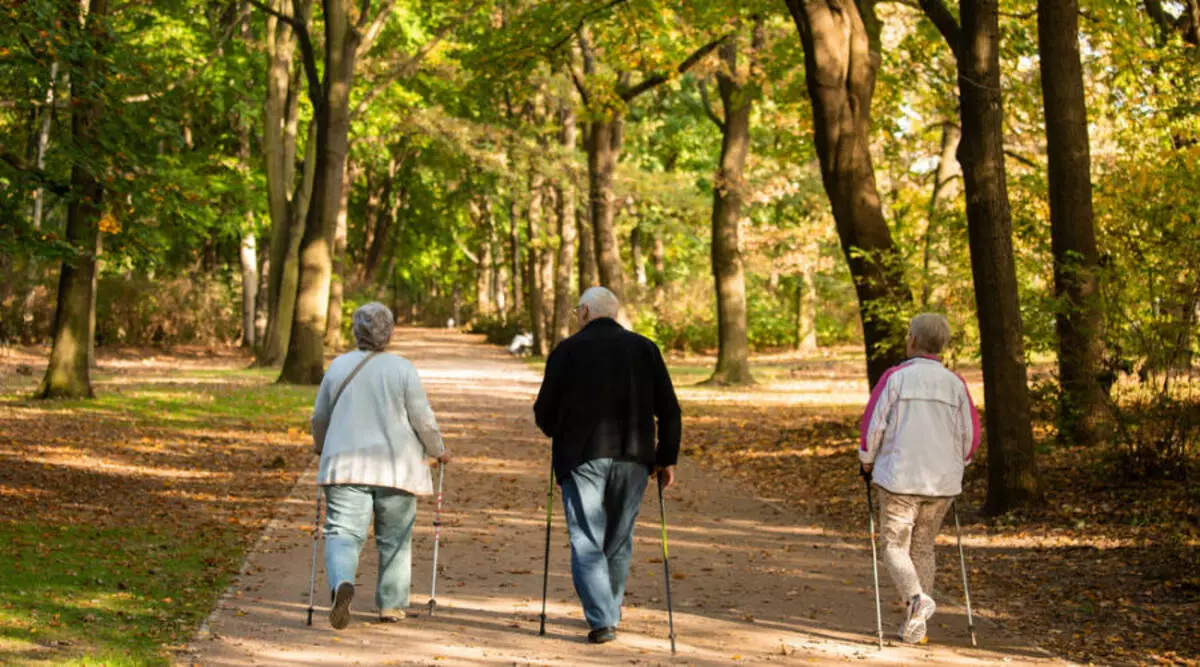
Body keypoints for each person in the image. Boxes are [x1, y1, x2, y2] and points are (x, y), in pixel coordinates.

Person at [533, 286, 682, 645]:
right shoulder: (645, 349)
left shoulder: (567, 351)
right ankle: (608, 611)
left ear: (585, 312)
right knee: (618, 538)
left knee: (586, 538)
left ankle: (603, 619)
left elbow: (543, 412)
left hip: (582, 455)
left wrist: (561, 434)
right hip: (634, 456)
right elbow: (670, 409)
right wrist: (666, 458)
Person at [311, 302, 450, 629]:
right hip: (397, 467)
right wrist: (438, 450)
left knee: (342, 532)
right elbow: (423, 419)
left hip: (345, 465)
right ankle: (391, 605)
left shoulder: (338, 367)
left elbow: (319, 416)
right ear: (390, 332)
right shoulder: (403, 369)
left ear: (355, 331)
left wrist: (321, 447)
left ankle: (341, 583)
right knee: (396, 538)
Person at [859, 313, 980, 644]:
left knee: (895, 546)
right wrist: (960, 463)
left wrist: (866, 460)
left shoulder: (895, 378)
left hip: (899, 479)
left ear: (912, 340)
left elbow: (873, 424)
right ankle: (917, 628)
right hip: (941, 483)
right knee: (923, 547)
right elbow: (970, 435)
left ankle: (916, 599)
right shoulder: (956, 384)